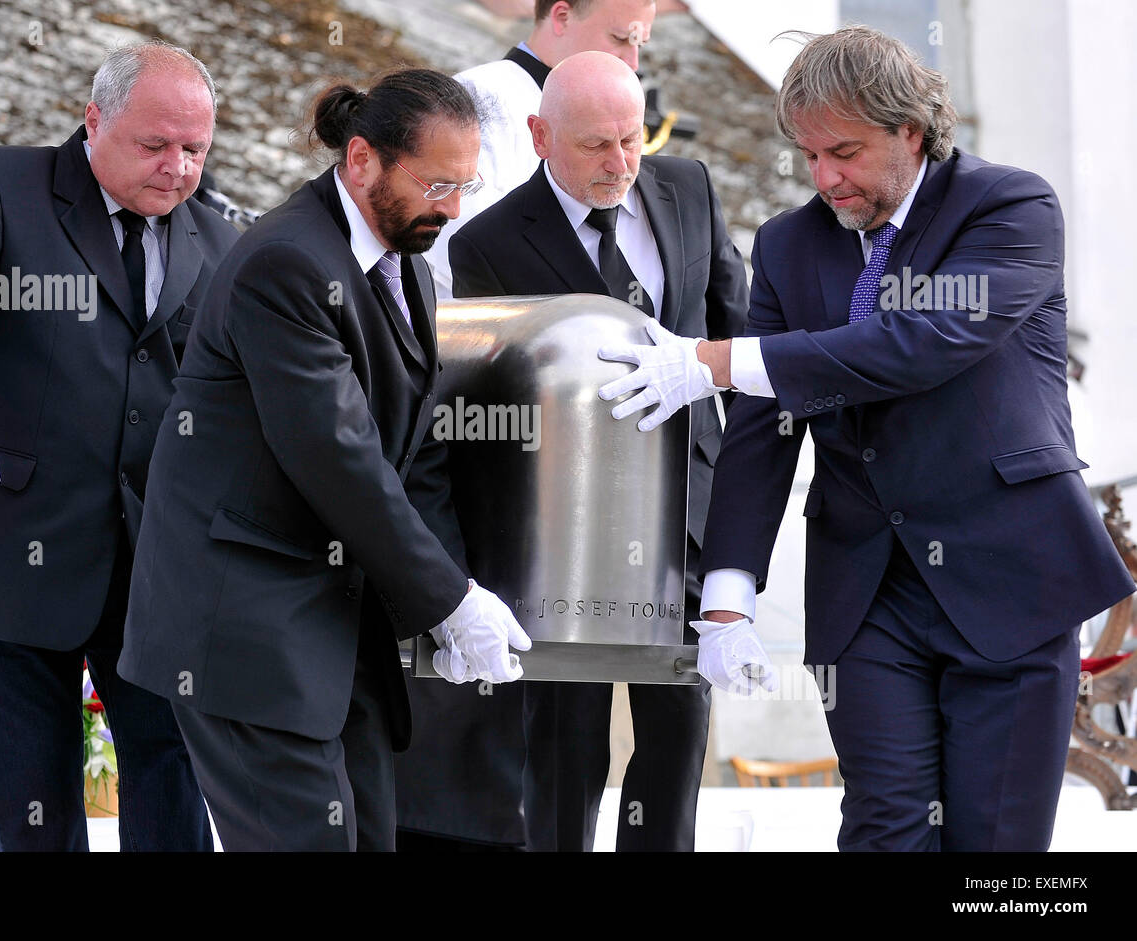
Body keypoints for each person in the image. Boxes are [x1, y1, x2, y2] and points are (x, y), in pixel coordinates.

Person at [597, 25, 1137, 851]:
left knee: (996, 849)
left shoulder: (1010, 207)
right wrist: (729, 590)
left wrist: (716, 359)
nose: (824, 178)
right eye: (808, 156)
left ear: (910, 132)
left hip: (1010, 576)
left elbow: (918, 343)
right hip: (865, 592)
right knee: (885, 830)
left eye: (843, 152)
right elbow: (766, 424)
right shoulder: (787, 243)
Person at [117, 68, 532, 852]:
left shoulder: (405, 262)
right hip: (244, 631)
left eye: (463, 186)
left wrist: (457, 590)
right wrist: (448, 601)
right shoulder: (286, 264)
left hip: (335, 634)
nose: (451, 208)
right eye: (436, 183)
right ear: (363, 159)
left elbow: (413, 455)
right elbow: (336, 455)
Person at [0, 41, 237, 851]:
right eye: (156, 144)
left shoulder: (218, 238)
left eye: (196, 149)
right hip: (7, 556)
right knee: (39, 803)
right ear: (95, 119)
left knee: (174, 779)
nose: (178, 167)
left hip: (156, 571)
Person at [449, 51, 748, 852]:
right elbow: (487, 403)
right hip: (559, 536)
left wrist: (703, 373)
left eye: (630, 139)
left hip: (687, 516)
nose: (621, 163)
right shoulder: (486, 242)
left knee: (678, 741)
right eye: (595, 146)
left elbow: (741, 331)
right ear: (540, 136)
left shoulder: (689, 188)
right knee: (562, 750)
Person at [424, 0, 656, 299]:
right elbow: (455, 238)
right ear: (562, 17)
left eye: (640, 45)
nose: (633, 62)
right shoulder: (479, 99)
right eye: (620, 39)